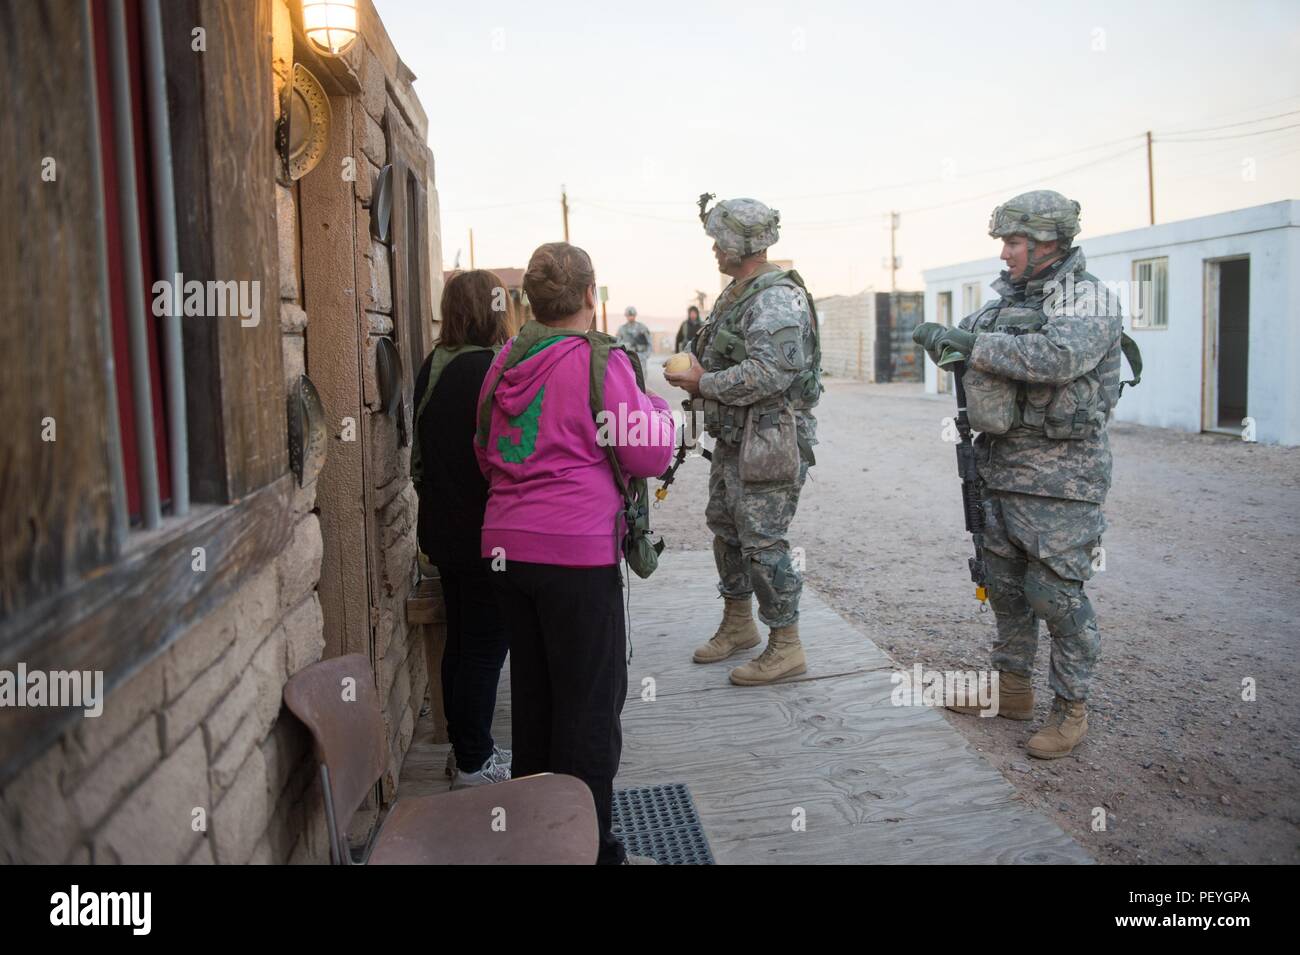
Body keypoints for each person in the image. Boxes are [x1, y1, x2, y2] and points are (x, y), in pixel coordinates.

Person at [911, 189, 1130, 760]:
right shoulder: (999, 305)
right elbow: (968, 347)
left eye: (1013, 242)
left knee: (1054, 594)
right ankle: (1011, 690)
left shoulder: (1089, 300)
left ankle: (1070, 708)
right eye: (1005, 242)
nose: (1004, 254)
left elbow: (1055, 357)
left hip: (1062, 482)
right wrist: (945, 340)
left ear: (1048, 240)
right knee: (1005, 589)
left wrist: (971, 344)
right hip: (998, 469)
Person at [474, 242, 674, 864]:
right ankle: (592, 851)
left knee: (534, 700)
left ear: (531, 300)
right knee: (588, 709)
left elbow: (483, 450)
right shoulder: (598, 359)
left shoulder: (506, 358)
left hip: (507, 551)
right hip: (577, 556)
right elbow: (648, 453)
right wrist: (660, 411)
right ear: (592, 296)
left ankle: (540, 842)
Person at [664, 196, 822, 686]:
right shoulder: (738, 293)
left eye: (720, 239)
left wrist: (703, 383)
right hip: (735, 436)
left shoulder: (777, 298)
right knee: (726, 529)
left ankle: (786, 644)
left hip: (770, 438)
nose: (714, 248)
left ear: (742, 242)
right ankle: (738, 625)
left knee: (763, 542)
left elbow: (771, 371)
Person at [412, 270, 516, 789]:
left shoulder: (436, 365)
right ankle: (475, 762)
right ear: (491, 309)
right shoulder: (489, 371)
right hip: (483, 535)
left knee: (461, 645)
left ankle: (465, 749)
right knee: (482, 650)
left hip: (443, 530)